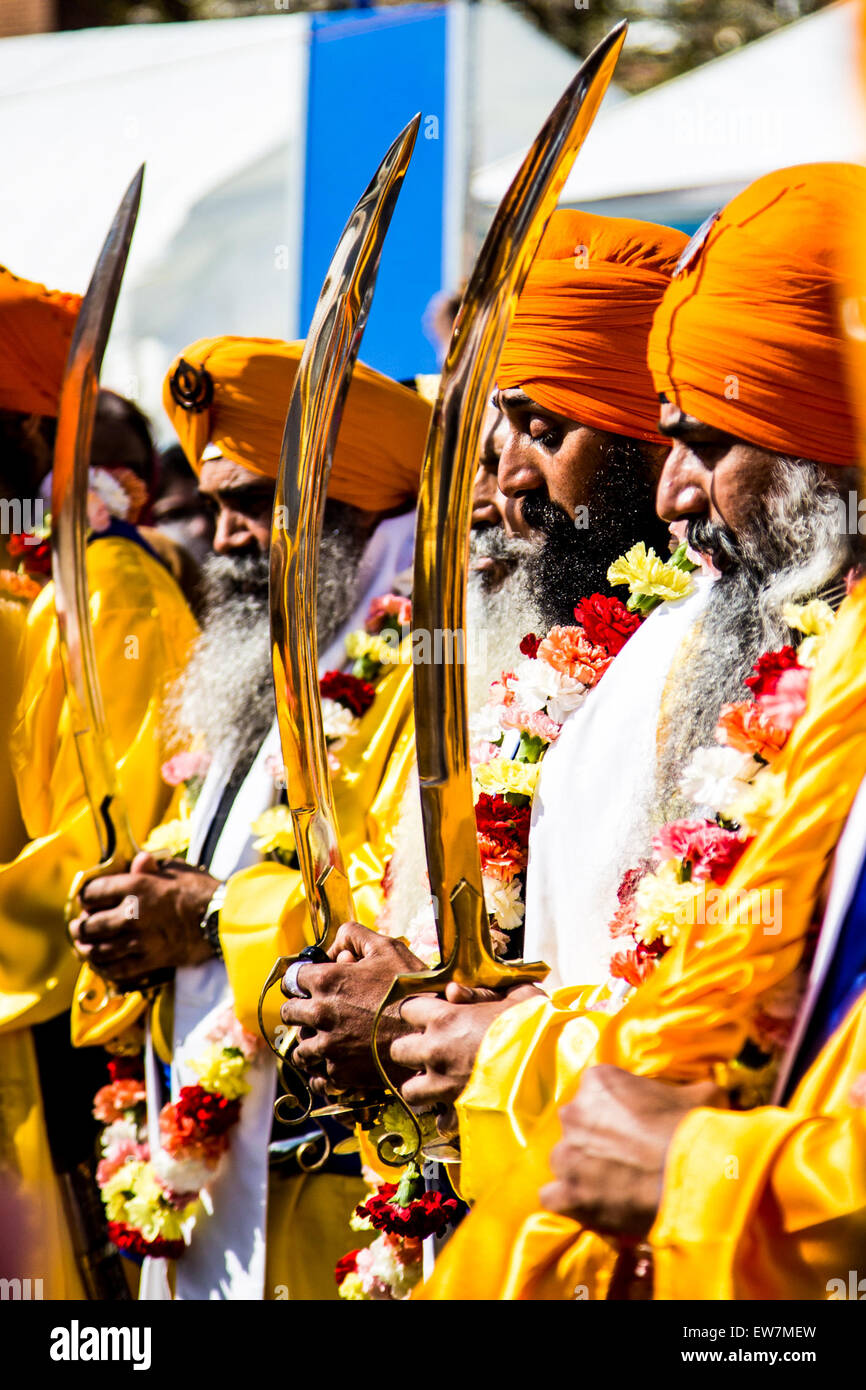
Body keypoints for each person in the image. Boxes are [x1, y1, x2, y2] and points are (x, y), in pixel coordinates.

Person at [415, 161, 866, 1300]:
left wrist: (693, 1170)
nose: (674, 493)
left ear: (828, 446)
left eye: (706, 443)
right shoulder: (809, 682)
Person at [68, 336, 432, 1300]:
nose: (224, 539)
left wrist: (206, 915)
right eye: (214, 502)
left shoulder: (424, 678)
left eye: (251, 505)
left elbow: (399, 941)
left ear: (356, 507)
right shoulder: (261, 674)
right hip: (202, 1172)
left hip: (338, 1195)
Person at [0, 262, 196, 1299]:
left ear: (28, 434)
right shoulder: (32, 584)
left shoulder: (107, 583)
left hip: (66, 1047)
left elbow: (117, 841)